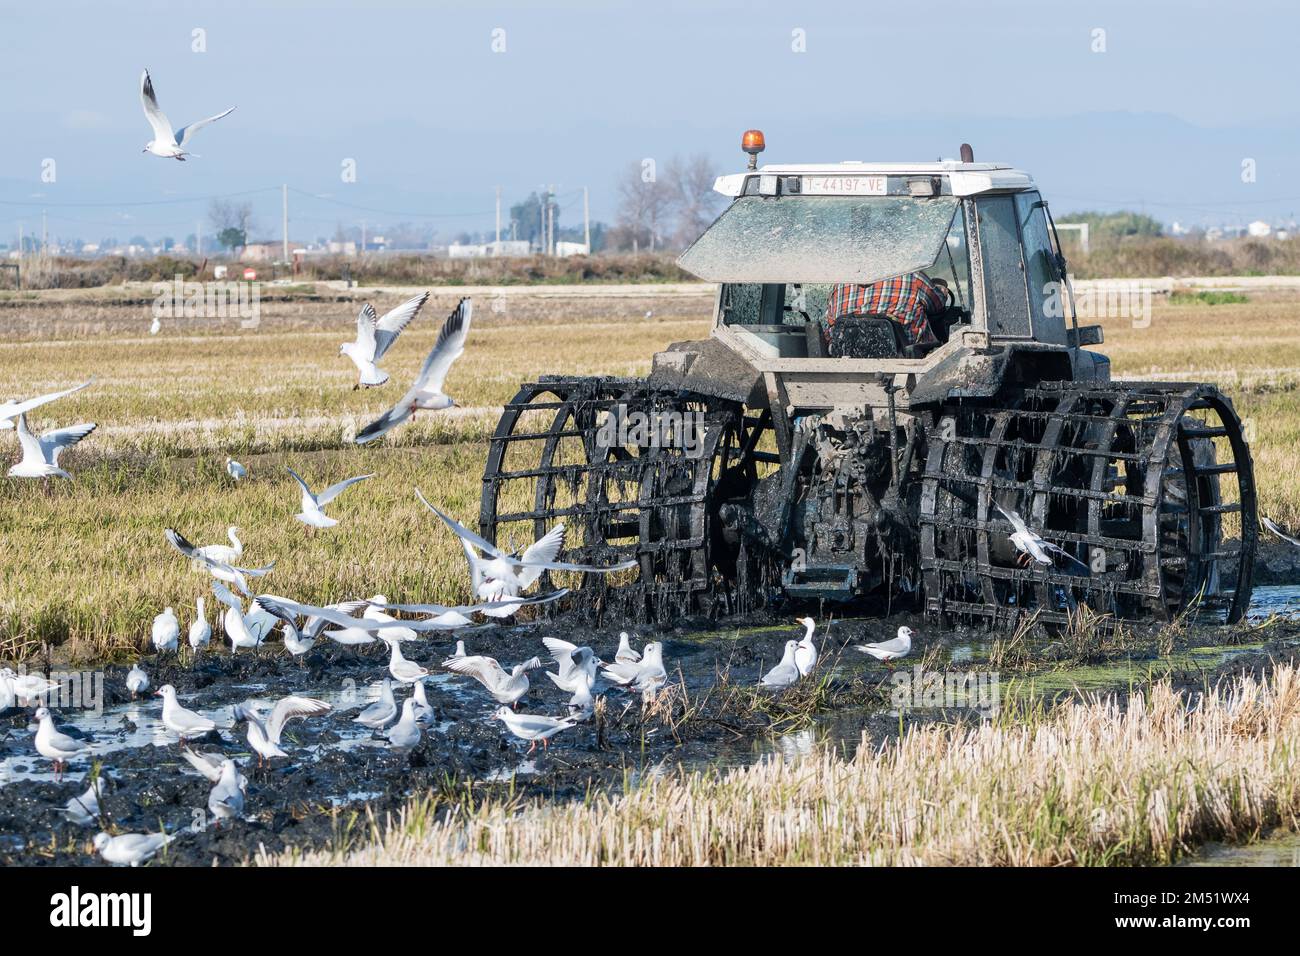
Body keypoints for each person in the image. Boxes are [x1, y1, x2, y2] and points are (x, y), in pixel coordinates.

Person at [824, 271, 949, 349]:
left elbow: (831, 322)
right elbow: (937, 305)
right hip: (907, 359)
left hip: (848, 358)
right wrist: (941, 290)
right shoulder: (912, 276)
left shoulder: (840, 284)